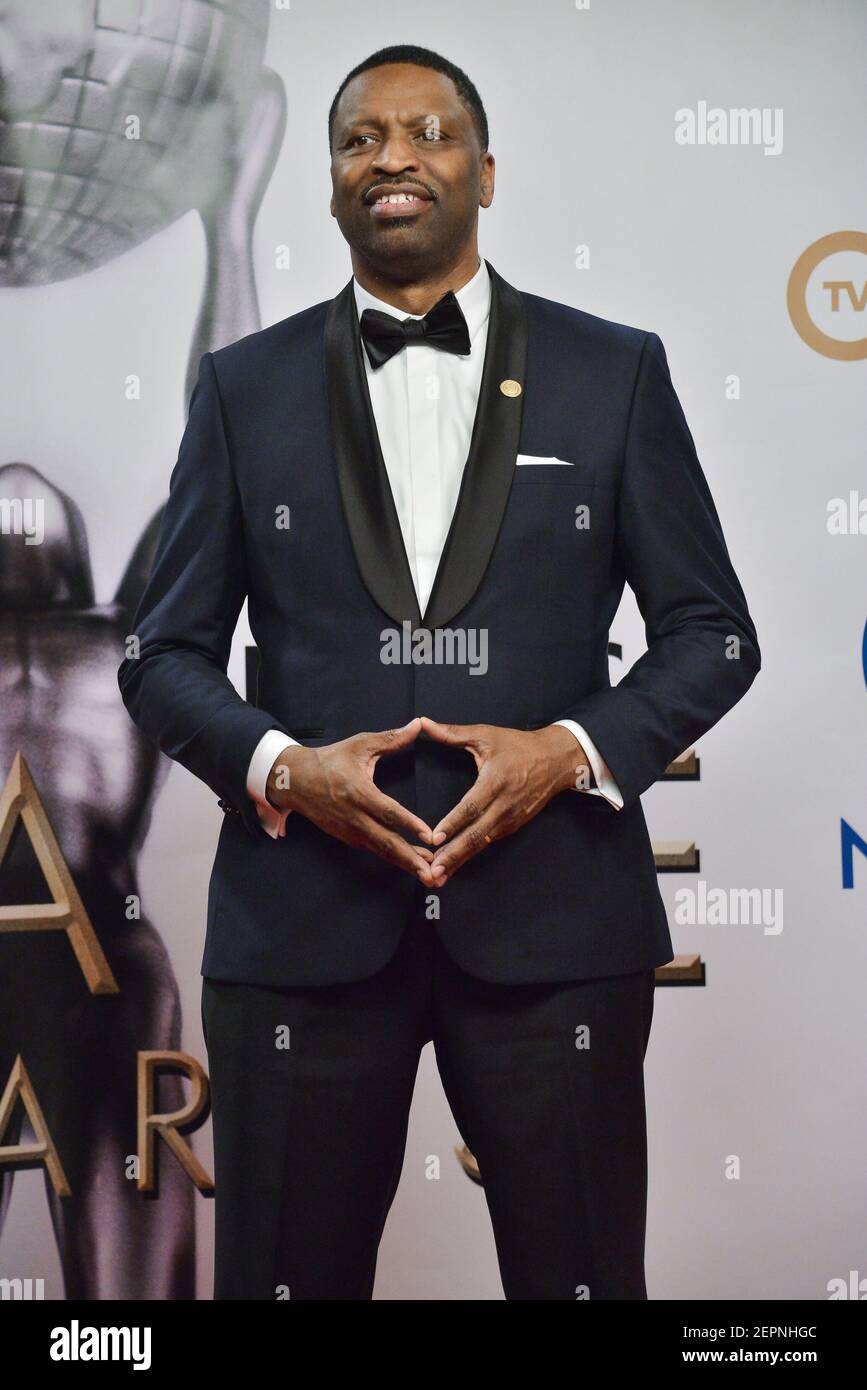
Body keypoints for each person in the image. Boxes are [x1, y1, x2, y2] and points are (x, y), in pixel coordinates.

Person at [117, 43, 760, 1300]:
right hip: (302, 930)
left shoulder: (612, 371)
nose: (393, 157)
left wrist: (565, 753)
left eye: (428, 132)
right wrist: (284, 767)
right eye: (361, 139)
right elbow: (161, 654)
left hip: (556, 932)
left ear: (485, 170)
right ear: (334, 181)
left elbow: (712, 633)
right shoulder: (242, 390)